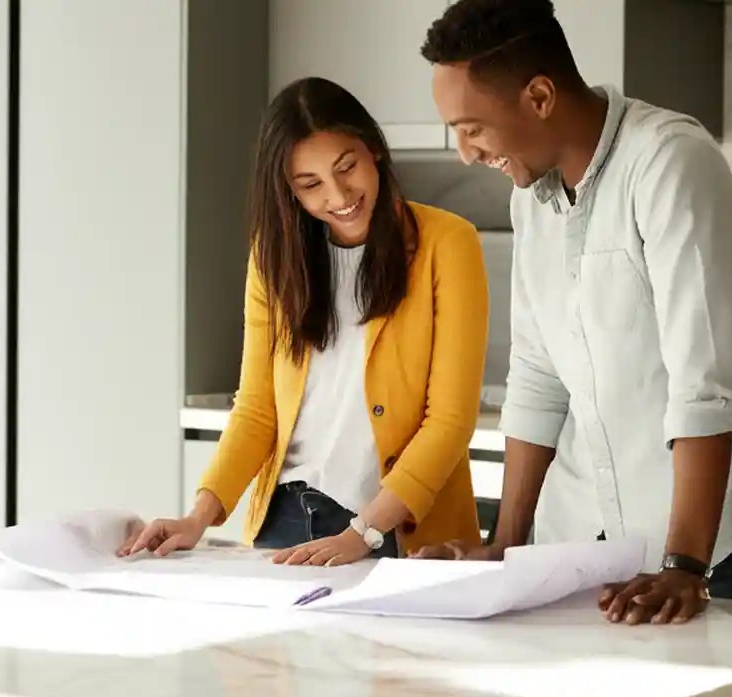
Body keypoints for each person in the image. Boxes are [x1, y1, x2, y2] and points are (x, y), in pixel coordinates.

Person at [413, 0, 732, 625]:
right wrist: (505, 544)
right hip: (583, 558)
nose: (464, 153)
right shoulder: (531, 201)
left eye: (471, 128)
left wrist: (683, 565)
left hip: (720, 560)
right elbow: (538, 378)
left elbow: (707, 385)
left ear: (539, 96)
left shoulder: (668, 162)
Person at [118, 77, 488, 567]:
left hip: (396, 530)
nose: (338, 195)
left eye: (346, 167)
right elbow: (256, 410)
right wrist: (198, 517)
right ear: (289, 190)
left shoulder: (447, 243)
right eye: (310, 185)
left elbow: (448, 421)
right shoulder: (273, 262)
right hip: (284, 521)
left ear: (373, 149)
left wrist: (364, 532)